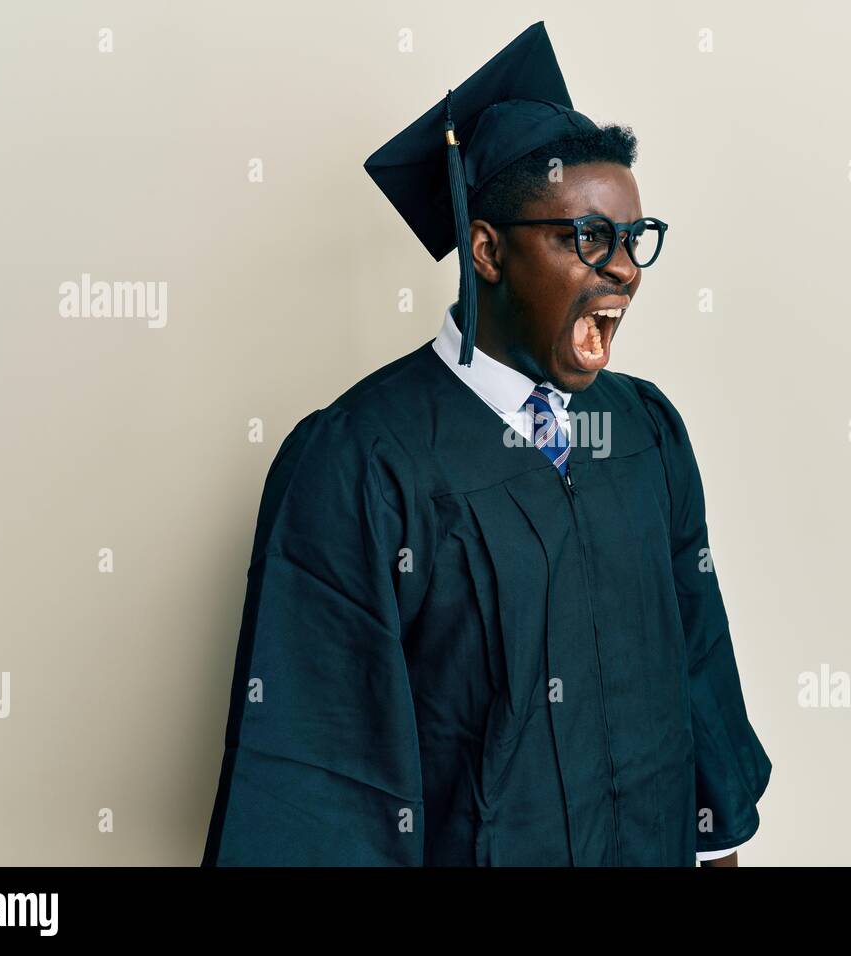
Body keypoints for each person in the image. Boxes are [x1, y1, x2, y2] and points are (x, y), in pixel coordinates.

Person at [201, 20, 771, 867]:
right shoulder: (364, 461)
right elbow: (322, 762)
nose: (624, 269)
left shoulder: (644, 430)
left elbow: (698, 655)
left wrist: (722, 835)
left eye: (633, 238)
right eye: (587, 238)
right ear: (487, 249)